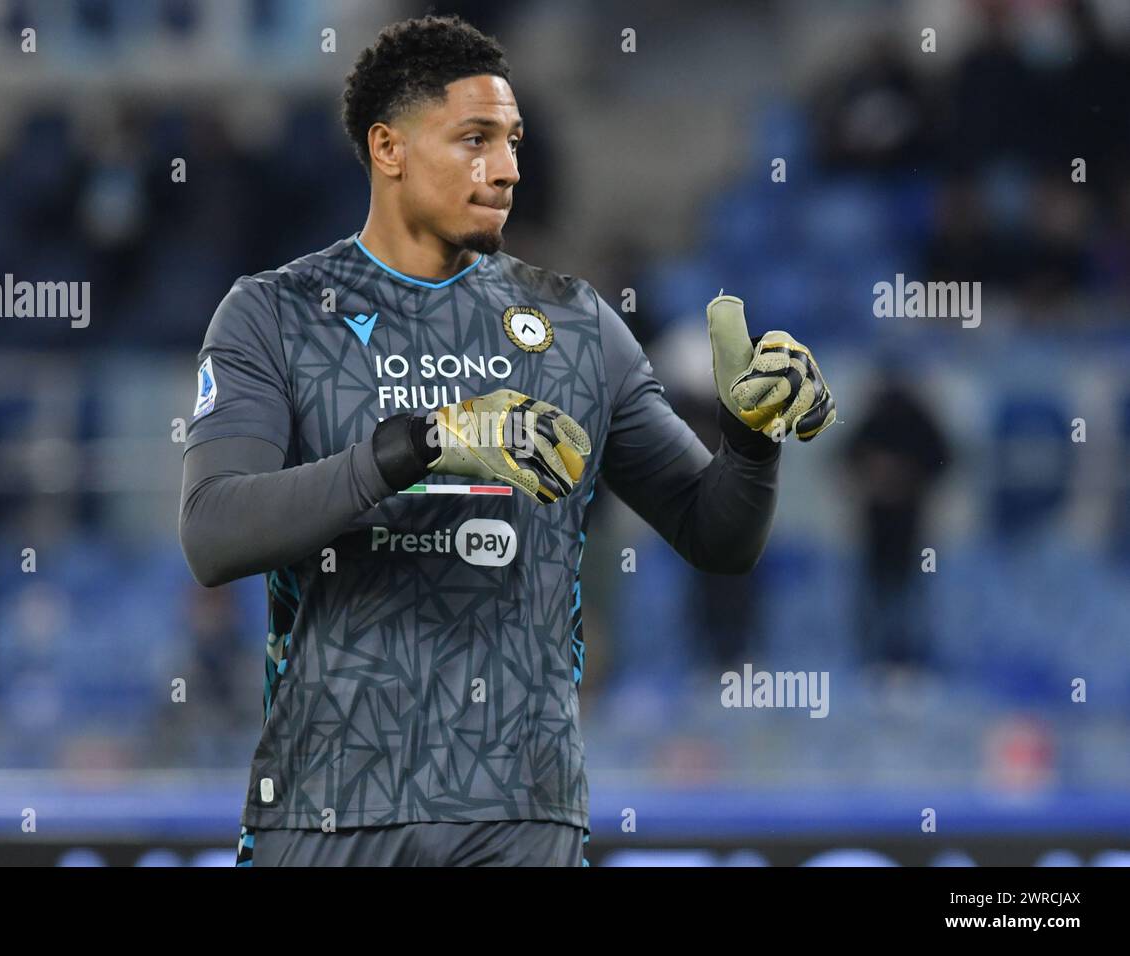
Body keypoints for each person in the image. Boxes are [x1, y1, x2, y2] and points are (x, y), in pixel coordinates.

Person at [178, 14, 835, 867]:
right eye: (476, 139)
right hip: (324, 808)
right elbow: (215, 532)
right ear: (389, 149)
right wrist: (421, 444)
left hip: (522, 816)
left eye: (514, 142)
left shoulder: (575, 324)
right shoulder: (274, 315)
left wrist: (751, 443)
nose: (509, 169)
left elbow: (718, 535)